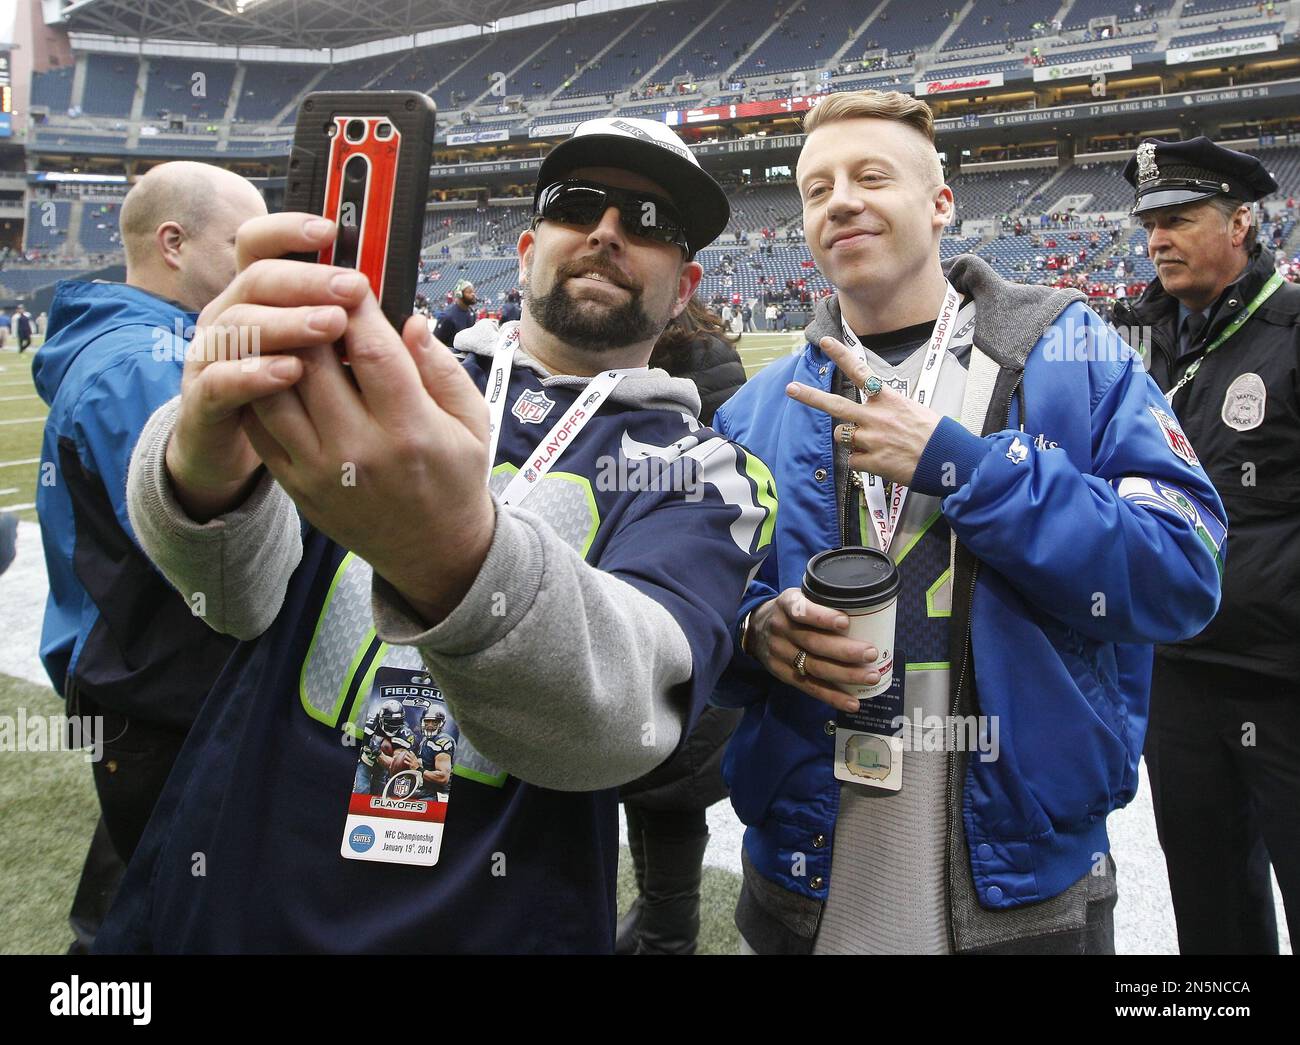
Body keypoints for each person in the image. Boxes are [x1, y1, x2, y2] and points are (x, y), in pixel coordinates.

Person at [96, 117, 774, 954]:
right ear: (526, 248)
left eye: (649, 223)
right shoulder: (380, 362)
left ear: (686, 284)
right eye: (580, 205)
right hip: (233, 887)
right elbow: (234, 596)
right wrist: (202, 469)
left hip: (490, 924)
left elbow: (625, 719)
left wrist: (446, 551)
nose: (608, 231)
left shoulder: (704, 471)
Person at [712, 91, 1226, 955]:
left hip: (1022, 889)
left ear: (943, 203)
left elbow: (1182, 569)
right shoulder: (757, 409)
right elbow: (702, 622)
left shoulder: (1071, 353)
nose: (840, 199)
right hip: (805, 881)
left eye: (872, 175)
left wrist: (970, 469)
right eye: (815, 187)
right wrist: (754, 631)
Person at [33, 161, 269, 953]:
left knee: (129, 903)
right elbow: (215, 549)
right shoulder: (146, 364)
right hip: (166, 692)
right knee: (175, 914)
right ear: (174, 242)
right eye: (243, 244)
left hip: (139, 681)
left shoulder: (146, 346)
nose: (260, 264)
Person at [1114, 137, 1300, 954]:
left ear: (1241, 224)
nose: (1158, 237)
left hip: (1284, 678)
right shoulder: (1129, 345)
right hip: (1176, 679)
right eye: (1149, 222)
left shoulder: (1291, 331)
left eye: (1179, 218)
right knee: (1210, 908)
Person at [616, 295, 747, 955]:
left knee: (662, 811)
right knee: (665, 816)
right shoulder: (726, 375)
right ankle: (658, 921)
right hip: (708, 658)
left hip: (677, 670)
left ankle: (663, 931)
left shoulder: (660, 405)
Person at [433, 279, 477, 345]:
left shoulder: (472, 313)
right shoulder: (448, 317)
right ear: (459, 295)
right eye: (469, 292)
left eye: (473, 292)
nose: (473, 294)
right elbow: (436, 342)